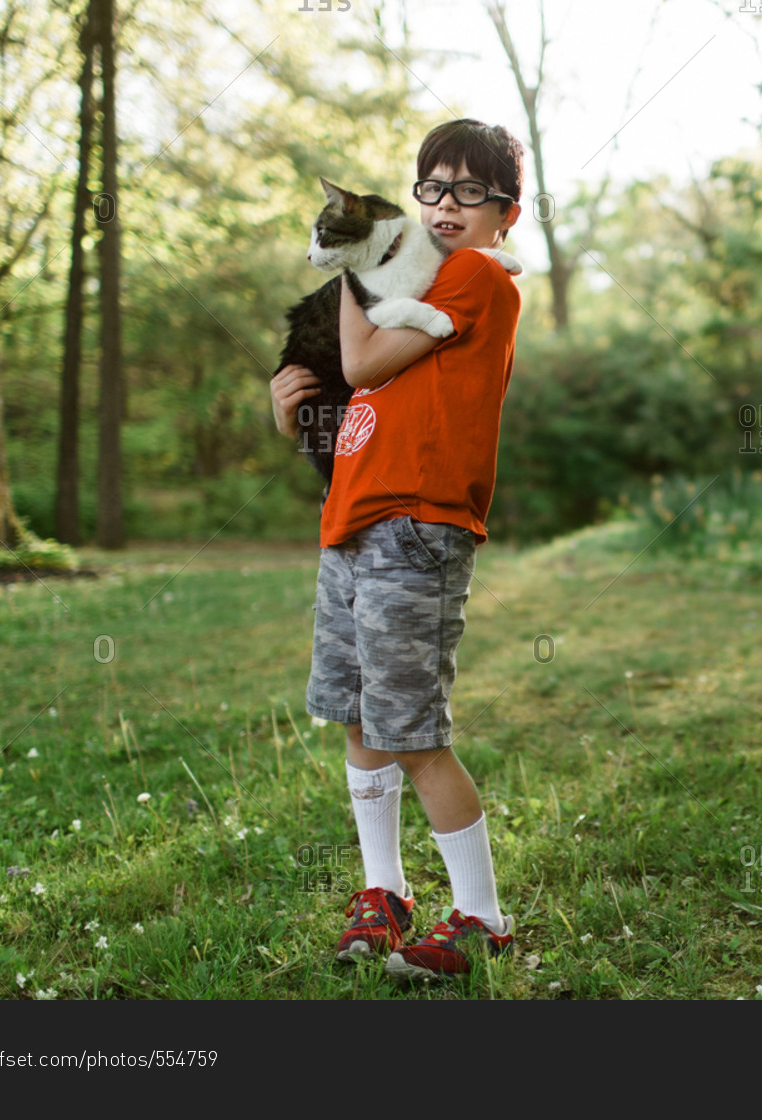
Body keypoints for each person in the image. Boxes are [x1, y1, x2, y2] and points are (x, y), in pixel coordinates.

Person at [269, 119, 524, 979]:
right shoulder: (412, 278)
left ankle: (482, 915)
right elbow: (357, 403)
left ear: (505, 215)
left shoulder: (478, 280)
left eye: (469, 192)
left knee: (412, 731)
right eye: (432, 188)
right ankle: (385, 893)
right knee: (357, 718)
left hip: (417, 526)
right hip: (351, 520)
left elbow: (368, 360)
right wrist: (294, 412)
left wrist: (354, 263)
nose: (447, 205)